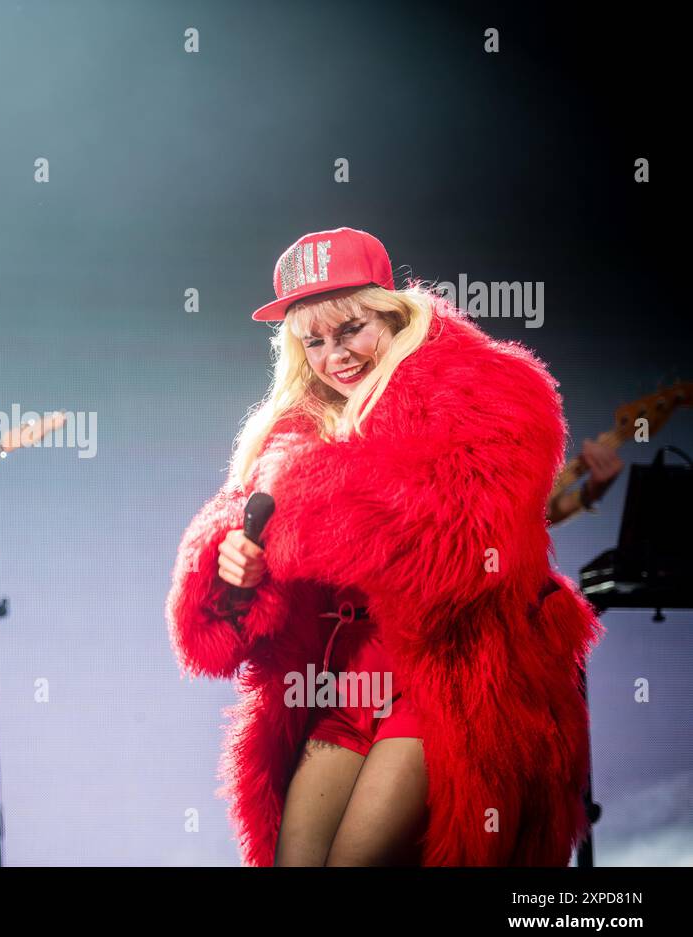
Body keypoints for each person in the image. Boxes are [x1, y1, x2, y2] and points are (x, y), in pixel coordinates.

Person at [165, 227, 604, 866]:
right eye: (312, 340)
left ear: (394, 314)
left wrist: (308, 508)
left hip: (440, 686)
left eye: (350, 330)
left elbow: (465, 541)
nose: (334, 355)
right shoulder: (290, 434)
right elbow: (240, 535)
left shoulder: (487, 392)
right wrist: (234, 563)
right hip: (341, 687)